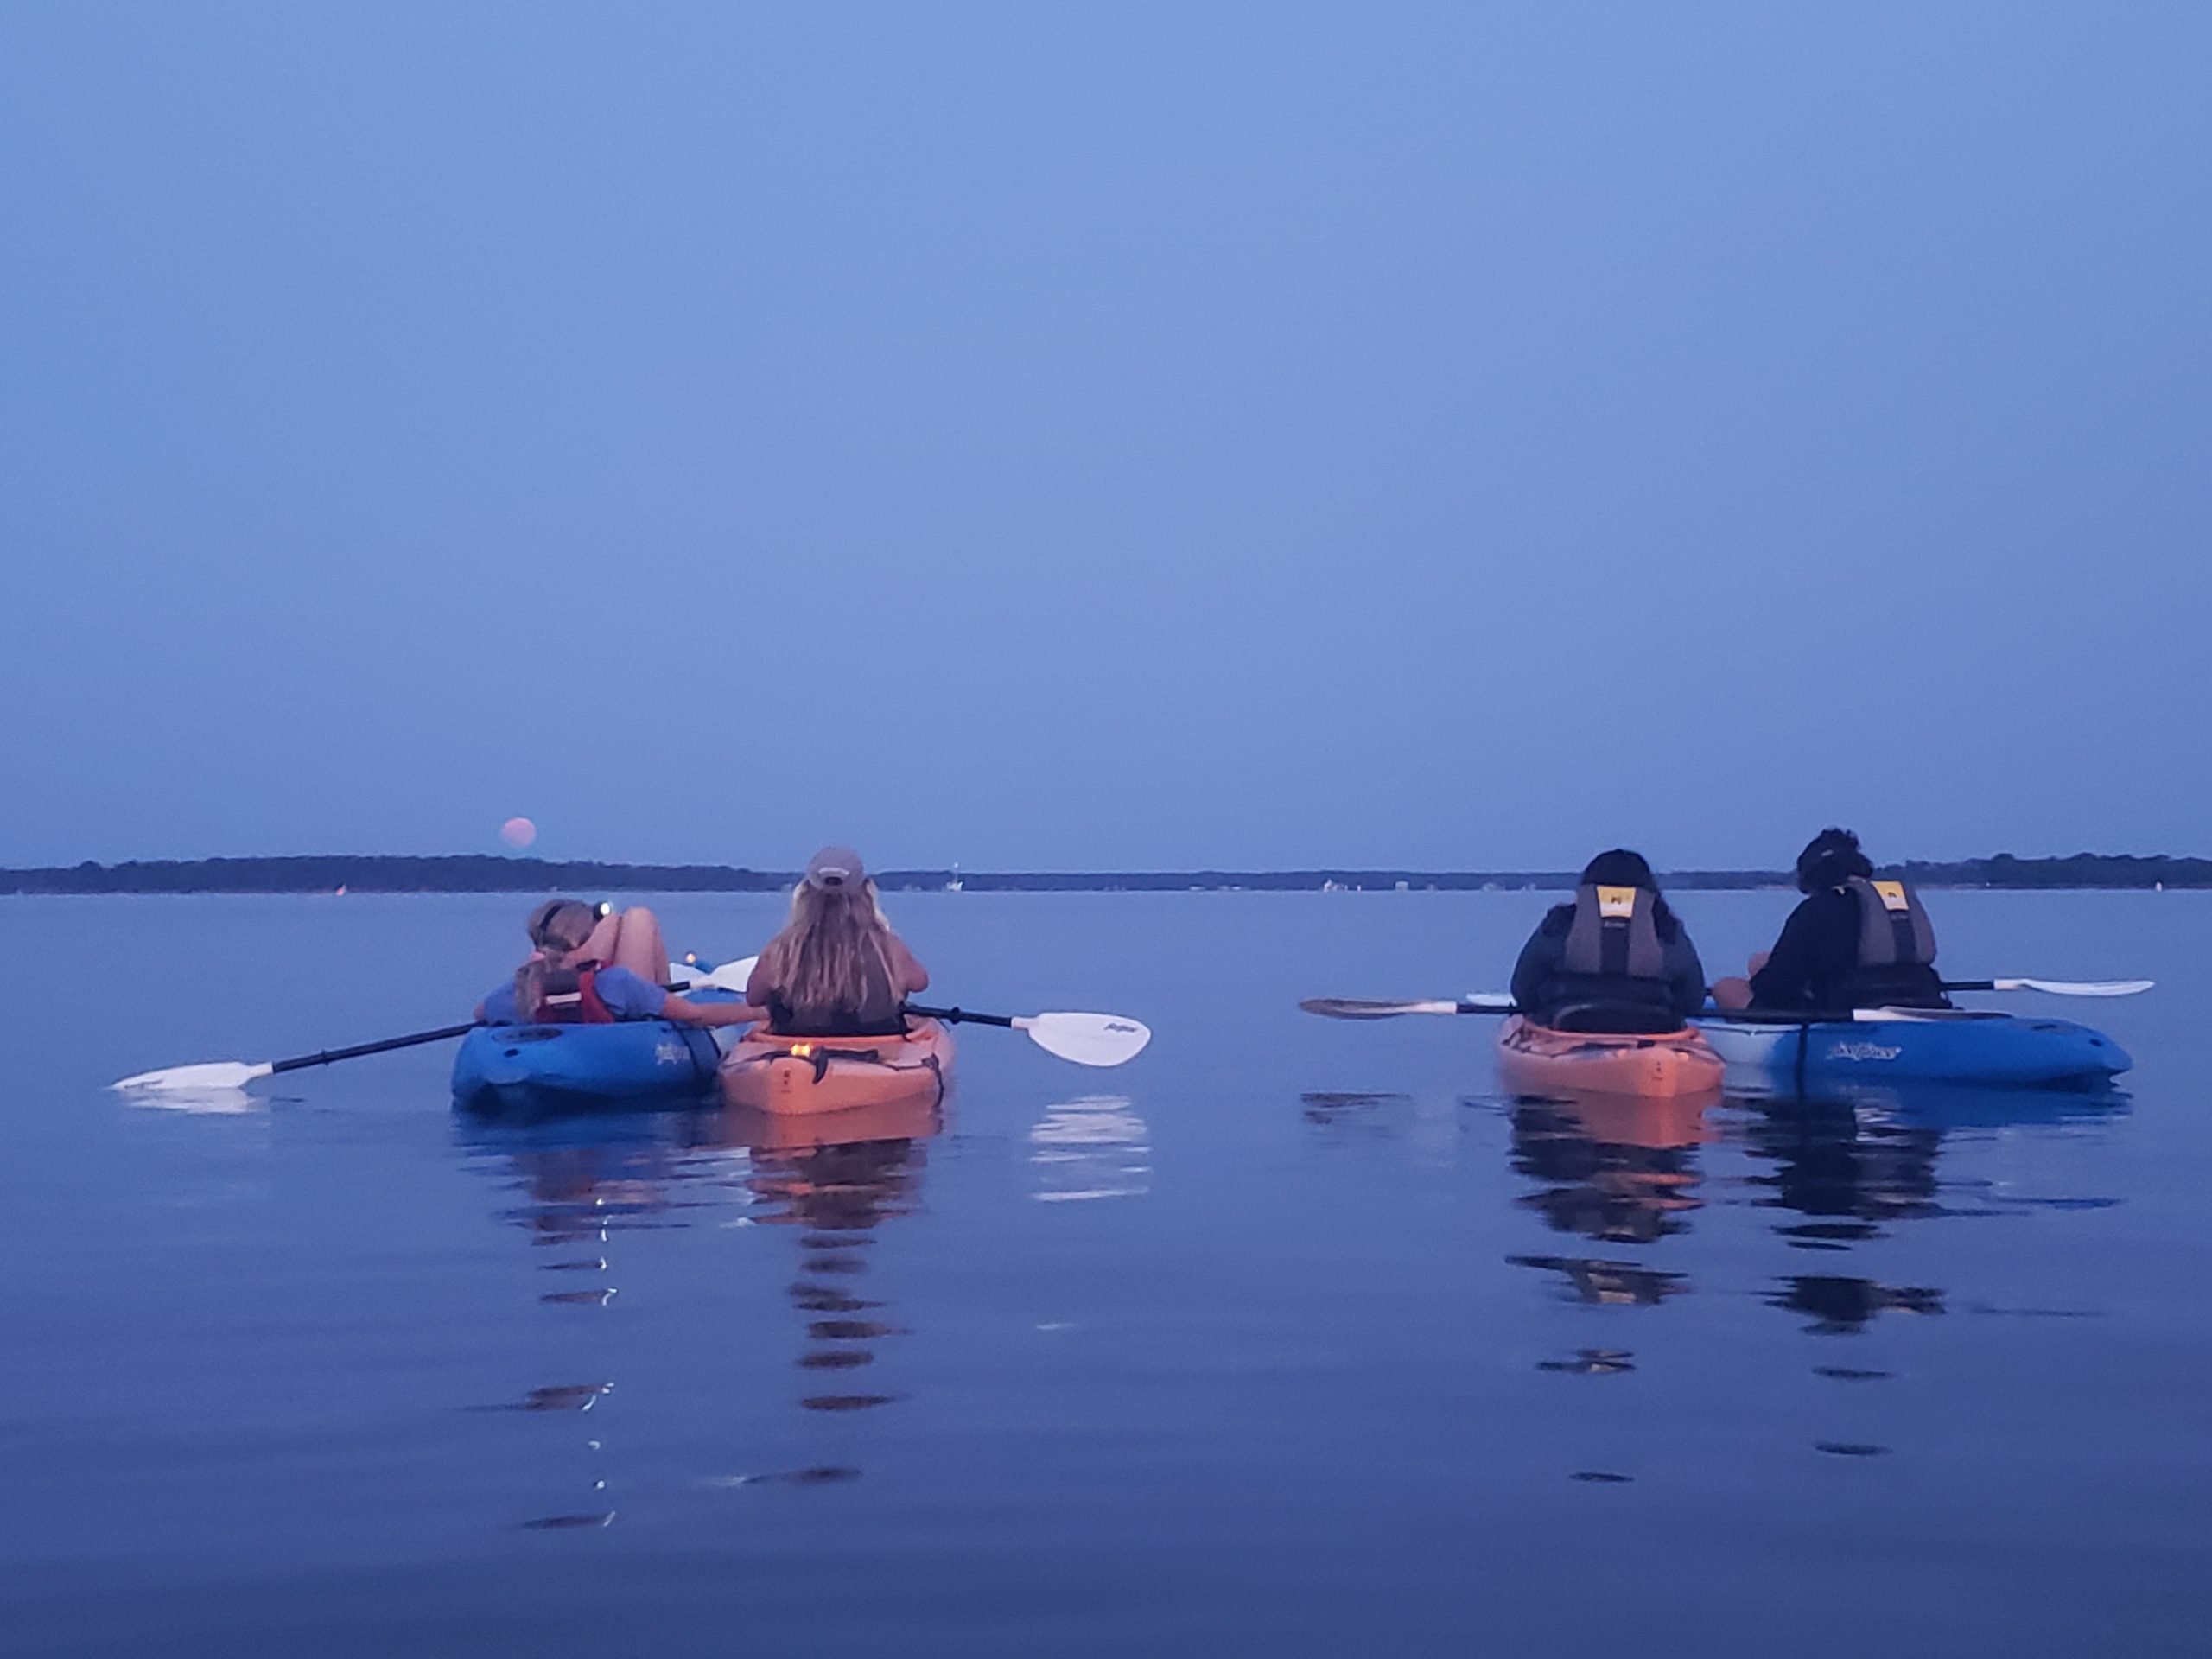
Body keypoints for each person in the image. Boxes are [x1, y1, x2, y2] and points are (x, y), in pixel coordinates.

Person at [1710, 828, 1948, 1013]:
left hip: (1842, 1011)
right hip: (1922, 995)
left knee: (1726, 987)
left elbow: (1776, 988)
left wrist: (1757, 983)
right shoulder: (1895, 900)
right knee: (1759, 961)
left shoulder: (1816, 910)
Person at [477, 899, 758, 1028]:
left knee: (625, 919)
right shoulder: (616, 984)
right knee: (638, 917)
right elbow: (696, 1015)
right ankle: (665, 985)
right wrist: (763, 1012)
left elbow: (481, 1014)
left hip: (545, 1046)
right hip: (620, 1030)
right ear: (586, 940)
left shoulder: (519, 991)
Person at [1510, 850, 1707, 1031]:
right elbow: (1692, 1000)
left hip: (1570, 1026)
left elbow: (1524, 989)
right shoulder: (1667, 929)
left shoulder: (1560, 925)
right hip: (1655, 1027)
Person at [745, 847, 930, 1037]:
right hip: (876, 1040)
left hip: (798, 1044)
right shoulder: (886, 944)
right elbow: (919, 982)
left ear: (805, 892)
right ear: (866, 891)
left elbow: (754, 997)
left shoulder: (783, 948)